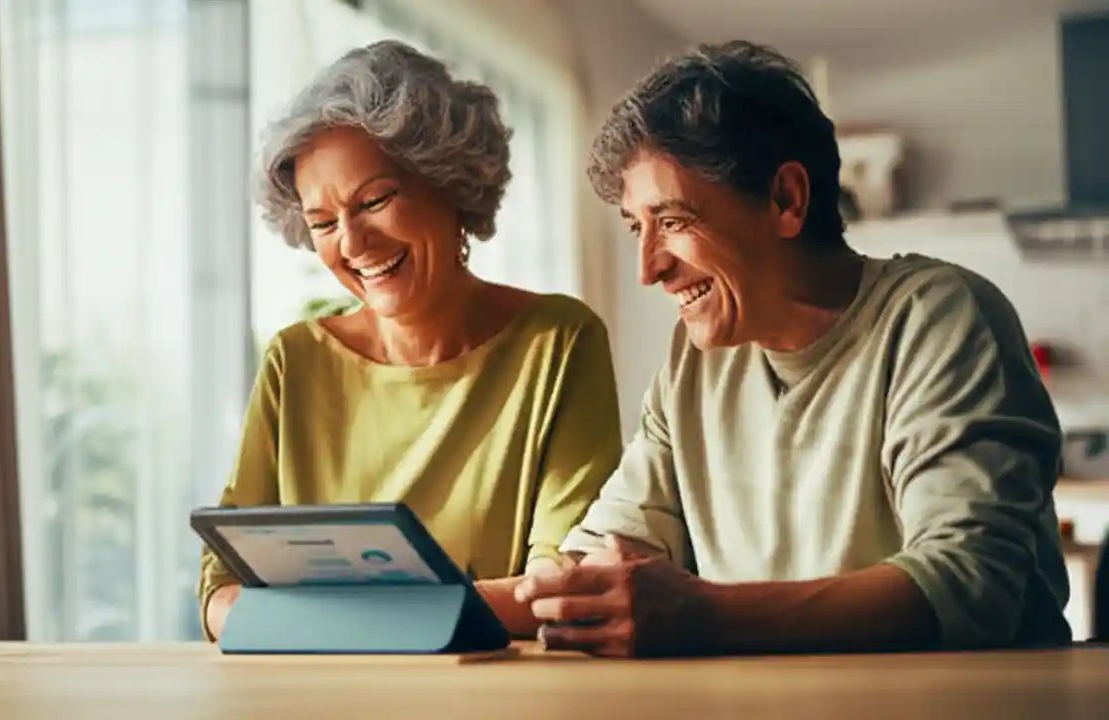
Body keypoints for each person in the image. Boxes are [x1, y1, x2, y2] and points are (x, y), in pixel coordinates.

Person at [515, 40, 1071, 656]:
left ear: (786, 200)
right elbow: (602, 558)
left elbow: (973, 583)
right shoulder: (694, 361)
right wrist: (429, 595)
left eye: (671, 222)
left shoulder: (939, 317)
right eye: (635, 228)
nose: (648, 269)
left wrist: (707, 616)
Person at [197, 40, 622, 641]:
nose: (351, 244)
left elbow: (562, 583)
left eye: (374, 201)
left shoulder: (557, 342)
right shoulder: (294, 360)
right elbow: (220, 589)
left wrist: (324, 619)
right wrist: (403, 618)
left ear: (451, 183)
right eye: (321, 223)